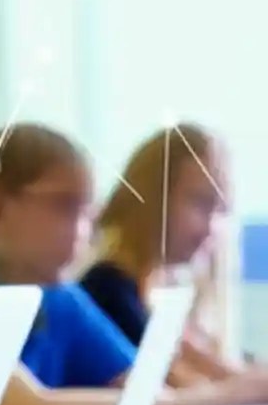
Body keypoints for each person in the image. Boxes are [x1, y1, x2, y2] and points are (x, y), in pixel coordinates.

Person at [0, 123, 268, 405]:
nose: (82, 231)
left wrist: (207, 395)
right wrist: (221, 396)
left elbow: (144, 393)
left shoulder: (66, 303)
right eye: (64, 206)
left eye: (87, 213)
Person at [84, 123, 260, 385]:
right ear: (152, 198)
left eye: (222, 209)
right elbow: (176, 388)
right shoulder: (107, 291)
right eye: (200, 202)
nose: (211, 225)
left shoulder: (168, 296)